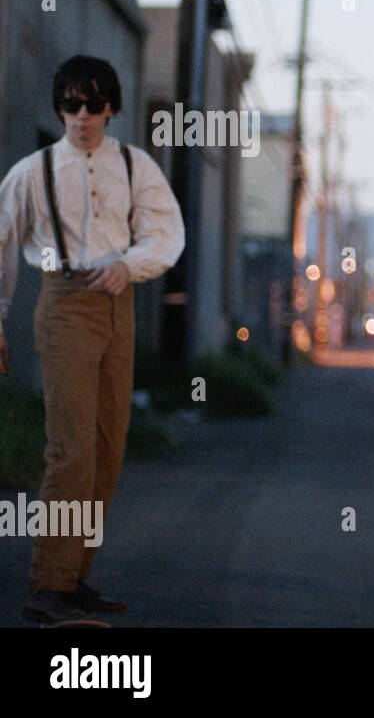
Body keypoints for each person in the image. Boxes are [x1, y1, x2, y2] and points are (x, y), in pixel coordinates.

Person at [0, 55, 184, 625]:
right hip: (64, 303)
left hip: (117, 305)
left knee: (107, 450)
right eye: (72, 103)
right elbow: (3, 243)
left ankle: (74, 577)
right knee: (71, 451)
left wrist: (131, 265)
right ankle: (47, 587)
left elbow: (166, 232)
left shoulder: (135, 165)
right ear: (59, 107)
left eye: (95, 103)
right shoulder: (33, 171)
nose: (83, 115)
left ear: (112, 108)